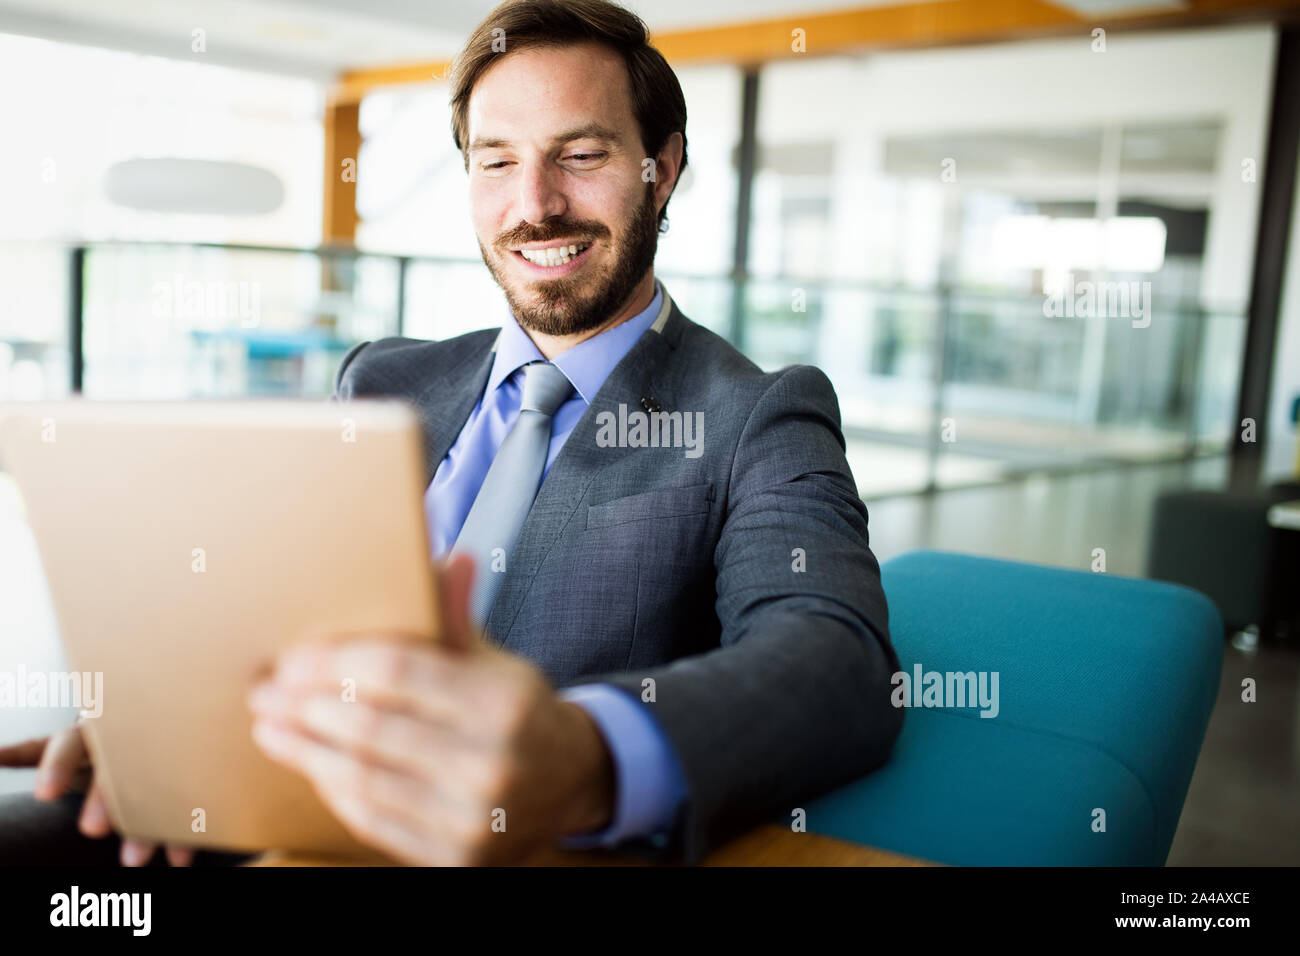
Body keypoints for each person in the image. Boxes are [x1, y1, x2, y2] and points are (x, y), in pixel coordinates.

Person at [0, 0, 901, 866]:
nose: (536, 204)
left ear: (662, 168)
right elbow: (277, 610)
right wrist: (168, 720)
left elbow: (839, 661)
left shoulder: (760, 413)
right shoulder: (384, 379)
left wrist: (584, 757)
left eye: (581, 154)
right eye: (496, 161)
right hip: (252, 797)